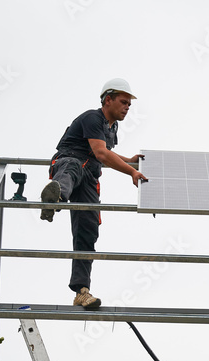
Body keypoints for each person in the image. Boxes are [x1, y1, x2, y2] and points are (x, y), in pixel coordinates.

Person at [40, 78, 147, 309]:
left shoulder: (112, 127)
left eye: (129, 104)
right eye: (123, 102)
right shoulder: (93, 117)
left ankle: (81, 291)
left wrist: (129, 160)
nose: (127, 107)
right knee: (71, 171)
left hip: (90, 177)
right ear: (108, 100)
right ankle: (55, 197)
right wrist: (131, 172)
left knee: (87, 232)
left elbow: (105, 150)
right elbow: (101, 153)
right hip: (70, 160)